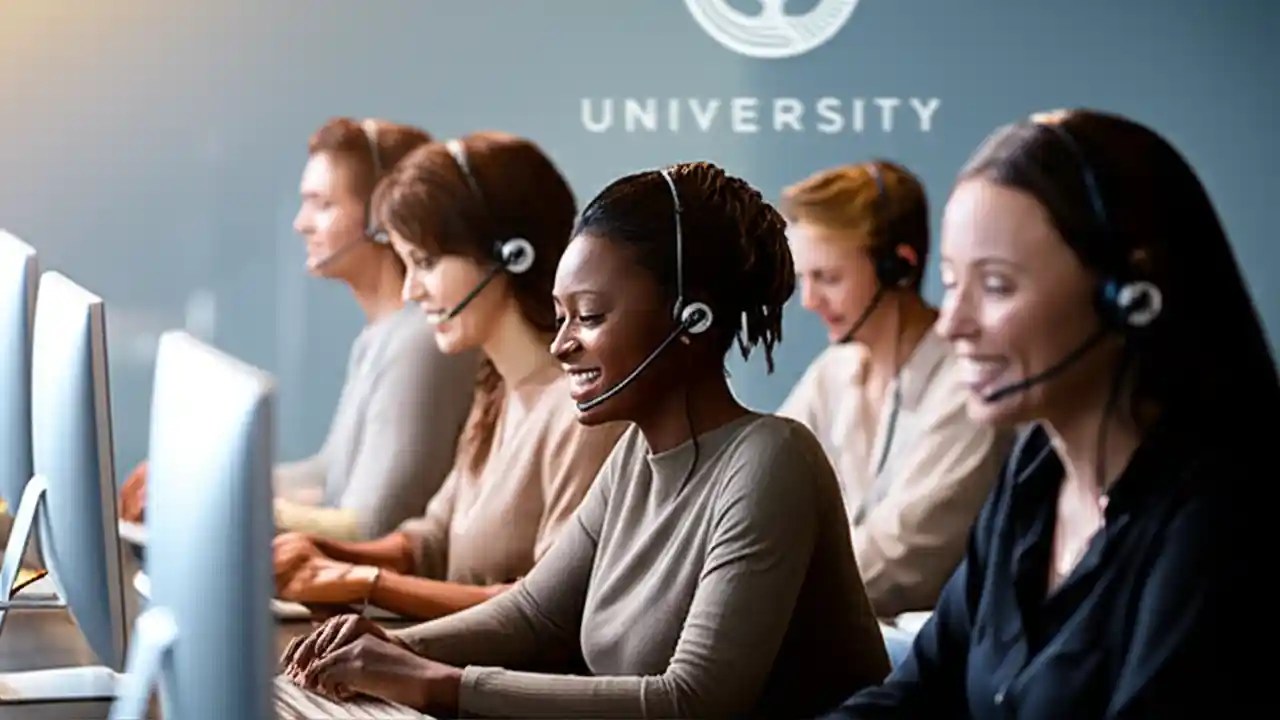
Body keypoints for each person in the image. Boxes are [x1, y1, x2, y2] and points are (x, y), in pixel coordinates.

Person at [279, 161, 891, 718]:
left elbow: (692, 701)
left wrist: (435, 682)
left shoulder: (770, 461)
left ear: (690, 319)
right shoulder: (634, 456)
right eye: (562, 313)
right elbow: (534, 614)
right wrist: (384, 648)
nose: (561, 343)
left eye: (591, 316)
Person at [822, 109, 1277, 718]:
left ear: (1128, 297)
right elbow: (921, 688)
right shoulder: (1033, 476)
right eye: (952, 282)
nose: (953, 323)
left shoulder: (1218, 519)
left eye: (998, 286)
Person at [271, 132, 627, 621]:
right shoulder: (498, 387)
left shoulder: (581, 414)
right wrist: (323, 552)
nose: (413, 290)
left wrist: (367, 583)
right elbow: (433, 537)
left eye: (427, 263)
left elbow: (549, 608)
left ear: (510, 254)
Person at [118, 117, 479, 541]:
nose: (301, 223)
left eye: (322, 205)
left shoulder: (421, 342)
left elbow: (369, 525)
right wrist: (197, 477)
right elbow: (328, 474)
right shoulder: (381, 335)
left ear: (385, 218)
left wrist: (206, 500)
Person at [778, 160, 1009, 621]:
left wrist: (758, 596)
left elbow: (905, 556)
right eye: (805, 278)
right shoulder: (833, 374)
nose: (809, 300)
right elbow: (764, 495)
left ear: (897, 267)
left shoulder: (968, 382)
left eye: (828, 278)